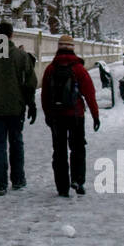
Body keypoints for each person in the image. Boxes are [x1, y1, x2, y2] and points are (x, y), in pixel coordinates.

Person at [0, 20, 38, 196]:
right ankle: (18, 179)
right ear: (11, 35)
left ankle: (0, 183)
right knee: (16, 142)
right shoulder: (21, 56)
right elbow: (30, 83)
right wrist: (31, 103)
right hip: (16, 108)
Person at [41, 35, 100, 196]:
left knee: (59, 151)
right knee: (78, 148)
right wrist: (95, 115)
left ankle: (62, 187)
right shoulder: (78, 69)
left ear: (58, 48)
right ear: (72, 48)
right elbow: (89, 93)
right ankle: (78, 180)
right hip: (76, 115)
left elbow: (45, 95)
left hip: (56, 116)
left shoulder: (50, 69)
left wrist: (48, 114)